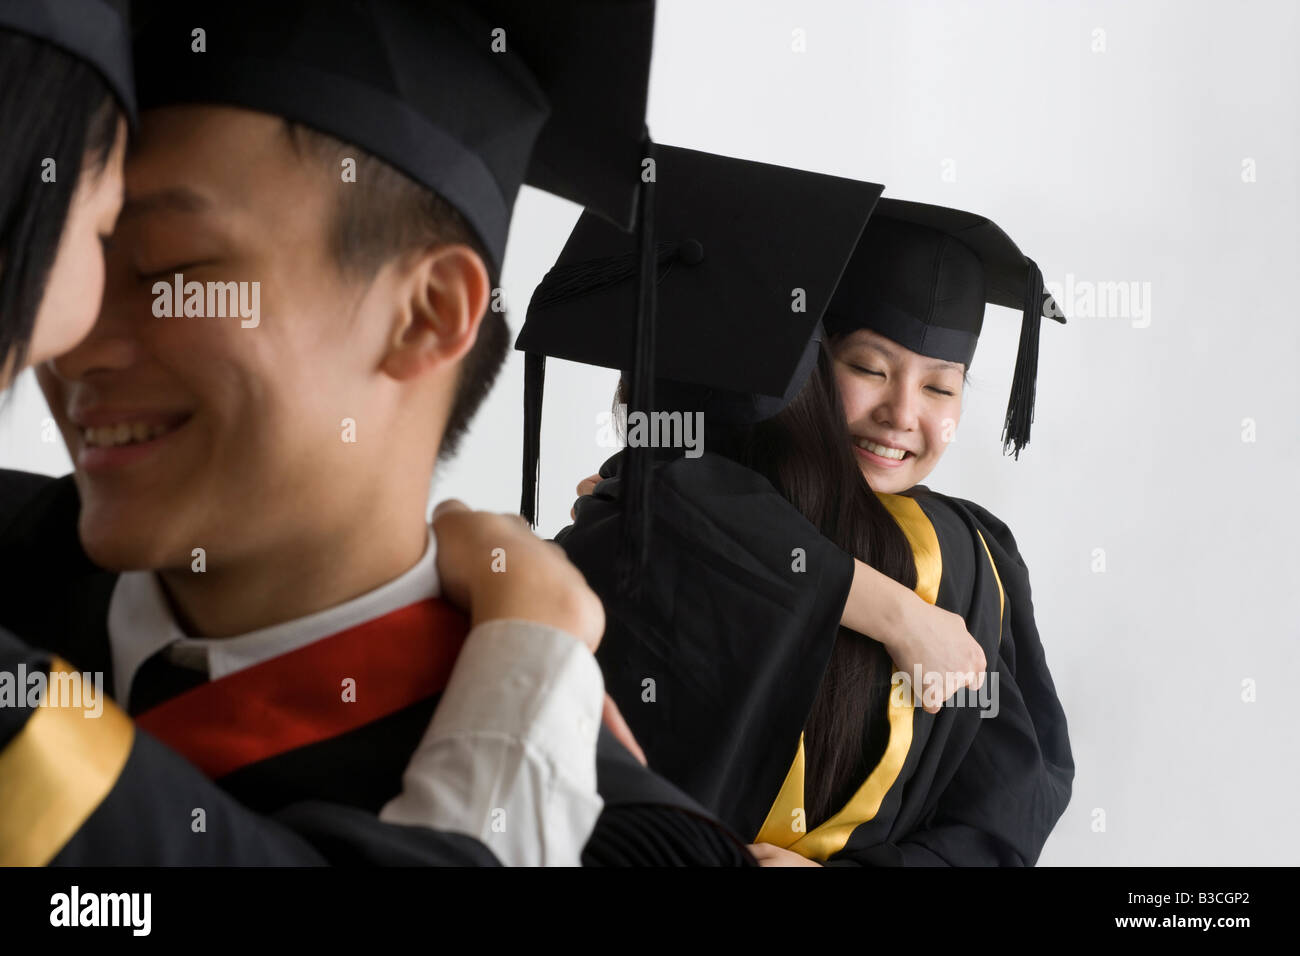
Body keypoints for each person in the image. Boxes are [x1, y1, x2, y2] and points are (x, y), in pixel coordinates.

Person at [1, 0, 753, 866]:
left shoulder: (615, 842)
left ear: (426, 317)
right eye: (76, 253)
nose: (71, 342)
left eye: (173, 269)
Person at [517, 145, 1073, 865]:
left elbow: (1006, 813)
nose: (903, 414)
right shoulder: (684, 513)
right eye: (869, 368)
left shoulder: (975, 565)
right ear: (808, 367)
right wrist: (897, 613)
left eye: (941, 387)